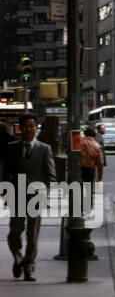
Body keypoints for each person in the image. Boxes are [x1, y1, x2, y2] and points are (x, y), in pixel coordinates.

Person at [8, 114, 55, 282]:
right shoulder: (12, 148)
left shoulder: (44, 149)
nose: (29, 129)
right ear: (21, 129)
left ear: (36, 128)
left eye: (32, 126)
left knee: (32, 234)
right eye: (26, 126)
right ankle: (18, 258)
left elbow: (51, 176)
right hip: (17, 196)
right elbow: (7, 174)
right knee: (14, 232)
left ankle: (29, 266)